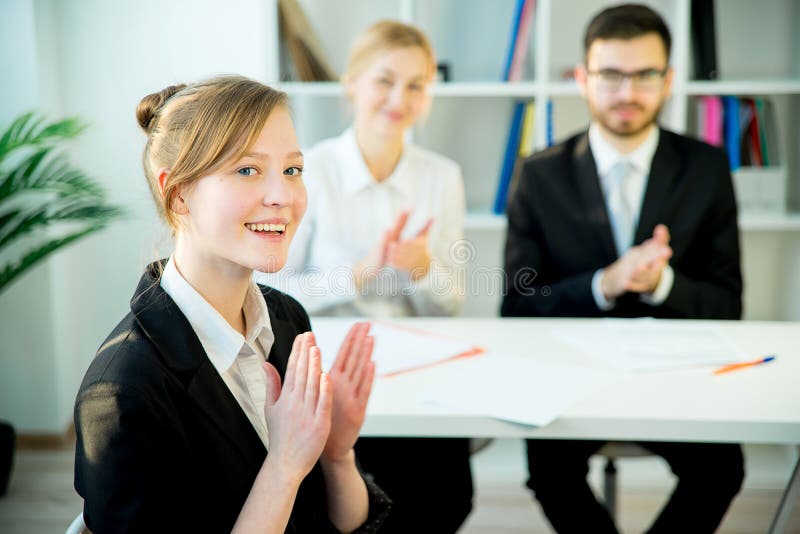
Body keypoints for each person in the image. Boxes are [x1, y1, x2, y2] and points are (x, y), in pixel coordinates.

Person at [73, 75, 391, 533]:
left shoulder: (286, 318)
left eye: (292, 170)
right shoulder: (121, 396)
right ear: (178, 193)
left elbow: (347, 526)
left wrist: (336, 454)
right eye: (247, 170)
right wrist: (284, 465)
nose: (283, 196)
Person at [501, 4, 744, 533]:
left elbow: (728, 303)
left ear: (668, 79)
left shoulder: (707, 168)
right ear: (583, 78)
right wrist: (602, 285)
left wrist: (663, 284)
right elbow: (516, 305)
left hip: (679, 374)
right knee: (548, 467)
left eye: (645, 75)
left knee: (722, 469)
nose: (627, 93)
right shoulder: (538, 175)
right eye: (610, 75)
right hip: (572, 377)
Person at [257, 20, 472, 533]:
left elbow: (453, 304)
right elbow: (273, 290)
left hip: (420, 370)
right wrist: (359, 275)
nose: (400, 97)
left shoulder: (441, 177)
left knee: (450, 498)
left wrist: (422, 271)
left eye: (416, 84)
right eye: (385, 79)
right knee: (346, 501)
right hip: (331, 366)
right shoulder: (309, 170)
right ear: (352, 82)